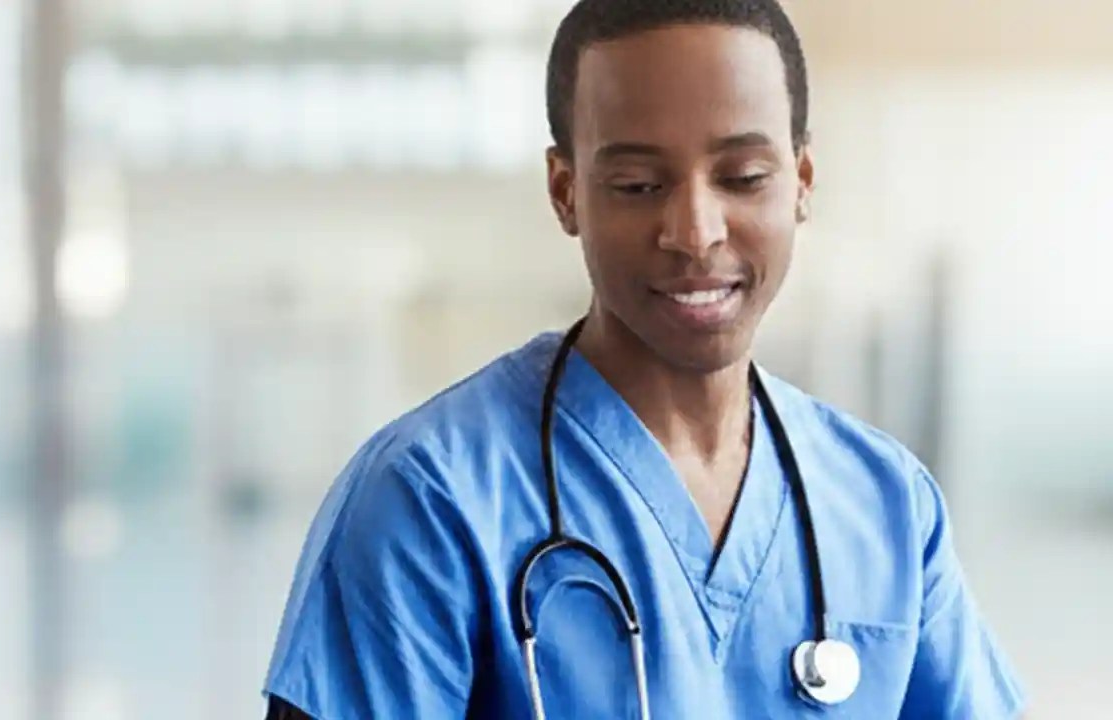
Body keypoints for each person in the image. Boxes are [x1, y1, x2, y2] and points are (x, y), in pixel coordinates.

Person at [263, 0, 1026, 717]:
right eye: (637, 185)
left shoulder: (885, 503)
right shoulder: (431, 497)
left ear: (801, 181)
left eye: (743, 178)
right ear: (566, 192)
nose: (694, 233)